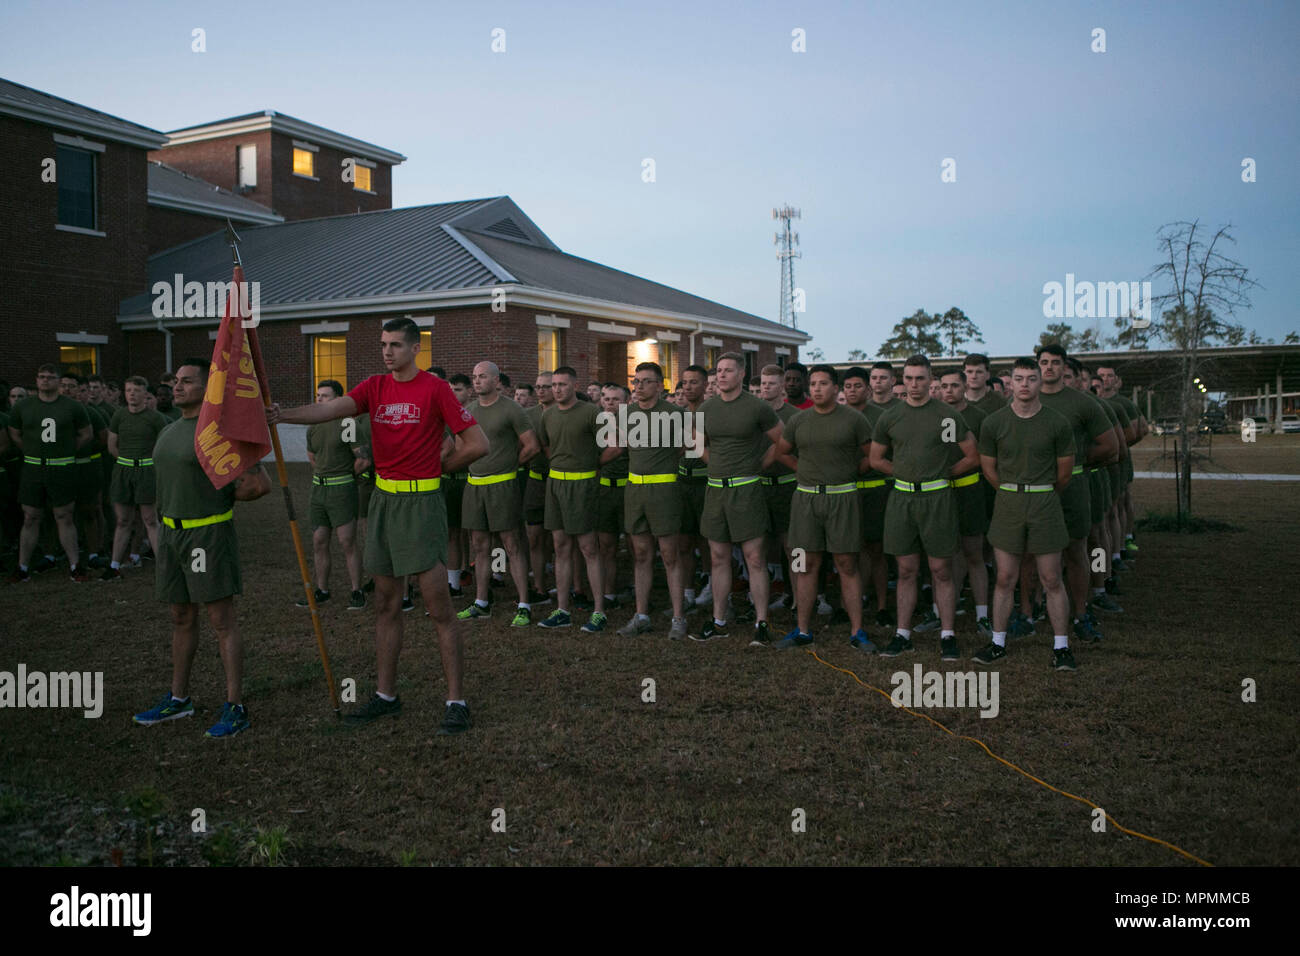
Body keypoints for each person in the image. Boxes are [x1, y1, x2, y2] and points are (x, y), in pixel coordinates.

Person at [268, 318, 488, 735]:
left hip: (422, 503)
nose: (387, 352)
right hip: (384, 501)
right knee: (386, 603)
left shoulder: (435, 389)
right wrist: (282, 415)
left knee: (438, 607)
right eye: (384, 345)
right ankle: (387, 696)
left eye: (396, 346)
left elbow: (478, 444)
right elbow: (330, 409)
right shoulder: (374, 386)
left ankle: (456, 701)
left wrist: (438, 469)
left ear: (414, 348)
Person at [131, 359, 271, 736]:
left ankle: (235, 705)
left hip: (206, 536)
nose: (176, 387)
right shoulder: (170, 429)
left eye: (187, 381)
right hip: (171, 534)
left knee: (220, 620)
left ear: (207, 388)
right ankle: (179, 700)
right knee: (180, 616)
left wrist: (226, 490)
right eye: (175, 381)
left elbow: (257, 485)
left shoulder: (217, 432)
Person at [869, 355, 978, 661]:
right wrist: (904, 472)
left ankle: (947, 634)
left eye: (920, 378)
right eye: (909, 378)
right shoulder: (890, 417)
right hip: (902, 498)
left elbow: (971, 455)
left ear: (932, 381)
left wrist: (942, 474)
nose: (914, 385)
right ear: (902, 380)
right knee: (906, 569)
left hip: (938, 499)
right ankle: (902, 634)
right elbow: (877, 459)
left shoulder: (945, 416)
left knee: (941, 569)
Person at [972, 358, 1077, 670]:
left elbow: (1065, 474)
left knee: (1051, 577)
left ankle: (1061, 646)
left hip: (1045, 501)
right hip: (1008, 502)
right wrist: (1011, 491)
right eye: (1019, 379)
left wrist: (1040, 493)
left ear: (1040, 381)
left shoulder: (1057, 422)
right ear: (1010, 383)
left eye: (1032, 379)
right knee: (1004, 577)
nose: (1025, 385)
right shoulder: (994, 423)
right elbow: (988, 468)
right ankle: (997, 642)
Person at [771, 366, 874, 649]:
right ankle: (802, 630)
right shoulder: (798, 420)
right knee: (805, 564)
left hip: (843, 499)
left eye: (823, 383)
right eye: (813, 383)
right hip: (805, 500)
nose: (817, 388)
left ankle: (857, 631)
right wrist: (804, 470)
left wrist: (851, 473)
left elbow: (872, 455)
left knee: (846, 564)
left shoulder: (855, 419)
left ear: (836, 388)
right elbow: (782, 452)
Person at [693, 352, 784, 645]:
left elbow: (782, 442)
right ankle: (719, 621)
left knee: (755, 558)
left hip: (747, 489)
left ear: (742, 374)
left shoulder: (757, 407)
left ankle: (761, 622)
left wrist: (758, 465)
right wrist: (716, 463)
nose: (721, 375)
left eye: (728, 370)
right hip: (715, 488)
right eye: (718, 371)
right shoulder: (707, 408)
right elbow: (696, 444)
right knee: (719, 557)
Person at [1038, 347, 1117, 644]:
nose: (1049, 368)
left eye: (1055, 363)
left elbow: (1111, 446)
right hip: (1038, 489)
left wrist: (1074, 462)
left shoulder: (1082, 403)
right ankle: (1032, 611)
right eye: (1043, 363)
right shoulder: (1024, 400)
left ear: (1064, 367)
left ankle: (1083, 612)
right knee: (1035, 554)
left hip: (1074, 487)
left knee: (1077, 550)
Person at [535, 366, 620, 631]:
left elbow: (616, 444)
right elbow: (547, 445)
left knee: (588, 549)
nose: (556, 389)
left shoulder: (591, 412)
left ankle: (598, 611)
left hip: (583, 486)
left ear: (574, 385)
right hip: (555, 485)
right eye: (553, 385)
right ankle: (562, 610)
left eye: (562, 384)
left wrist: (593, 466)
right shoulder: (547, 415)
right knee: (560, 547)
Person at [457, 360, 538, 627]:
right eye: (474, 377)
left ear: (496, 381)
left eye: (482, 377)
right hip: (475, 485)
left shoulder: (511, 409)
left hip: (503, 486)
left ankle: (524, 604)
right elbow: (461, 447)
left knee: (511, 544)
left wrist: (510, 465)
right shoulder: (468, 411)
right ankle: (481, 602)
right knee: (480, 546)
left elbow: (531, 446)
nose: (477, 381)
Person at [617, 362, 689, 639]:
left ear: (659, 385)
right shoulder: (627, 414)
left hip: (665, 492)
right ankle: (641, 615)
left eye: (646, 381)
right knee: (641, 555)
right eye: (636, 381)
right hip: (635, 491)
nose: (639, 386)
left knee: (670, 556)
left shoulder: (675, 414)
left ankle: (678, 617)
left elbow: (684, 448)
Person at [7, 365, 91, 582]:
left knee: (64, 516)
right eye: (41, 377)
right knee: (30, 516)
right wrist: (30, 450)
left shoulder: (72, 407)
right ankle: (22, 566)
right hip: (33, 468)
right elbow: (14, 432)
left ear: (58, 381)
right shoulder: (23, 406)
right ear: (36, 380)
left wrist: (66, 451)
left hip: (61, 467)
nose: (45, 381)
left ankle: (75, 565)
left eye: (50, 378)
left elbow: (85, 434)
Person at [298, 379, 367, 610]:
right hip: (319, 490)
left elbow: (363, 459)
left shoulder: (346, 424)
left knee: (347, 541)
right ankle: (322, 590)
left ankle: (357, 590)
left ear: (337, 399)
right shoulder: (313, 426)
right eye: (318, 396)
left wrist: (346, 476)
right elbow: (312, 457)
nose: (320, 400)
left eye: (325, 396)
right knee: (319, 541)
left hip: (342, 490)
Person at [937, 369, 992, 636]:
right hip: (938, 494)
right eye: (944, 386)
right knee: (944, 556)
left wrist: (949, 472)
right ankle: (943, 611)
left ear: (964, 386)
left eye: (954, 385)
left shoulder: (979, 418)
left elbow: (984, 456)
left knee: (974, 553)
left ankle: (982, 614)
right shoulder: (932, 414)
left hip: (969, 491)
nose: (949, 391)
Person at [104, 376, 168, 580]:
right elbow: (112, 445)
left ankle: (164, 567)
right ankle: (114, 565)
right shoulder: (119, 415)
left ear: (145, 394)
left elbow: (163, 447)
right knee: (123, 520)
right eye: (128, 390)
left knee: (150, 519)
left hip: (147, 472)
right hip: (123, 471)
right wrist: (127, 461)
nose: (132, 394)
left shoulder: (156, 418)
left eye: (136, 390)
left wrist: (145, 464)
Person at [842, 367, 891, 628]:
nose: (852, 390)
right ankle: (851, 602)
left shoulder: (881, 417)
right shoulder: (836, 414)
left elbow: (881, 454)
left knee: (876, 550)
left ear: (868, 389)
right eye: (847, 386)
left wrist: (860, 467)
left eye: (857, 386)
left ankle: (882, 605)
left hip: (873, 488)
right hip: (843, 492)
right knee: (849, 550)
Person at [759, 364, 801, 615]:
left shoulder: (794, 415)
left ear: (782, 386)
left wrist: (769, 457)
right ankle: (762, 601)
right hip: (759, 488)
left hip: (787, 488)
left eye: (772, 383)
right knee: (759, 548)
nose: (766, 387)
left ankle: (799, 599)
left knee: (792, 547)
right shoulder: (752, 411)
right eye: (763, 383)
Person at [676, 365, 712, 609]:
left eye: (693, 382)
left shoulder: (713, 412)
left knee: (708, 540)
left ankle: (711, 585)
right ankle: (687, 591)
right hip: (682, 482)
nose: (688, 387)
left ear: (705, 386)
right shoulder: (676, 414)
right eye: (685, 382)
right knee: (684, 541)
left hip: (706, 481)